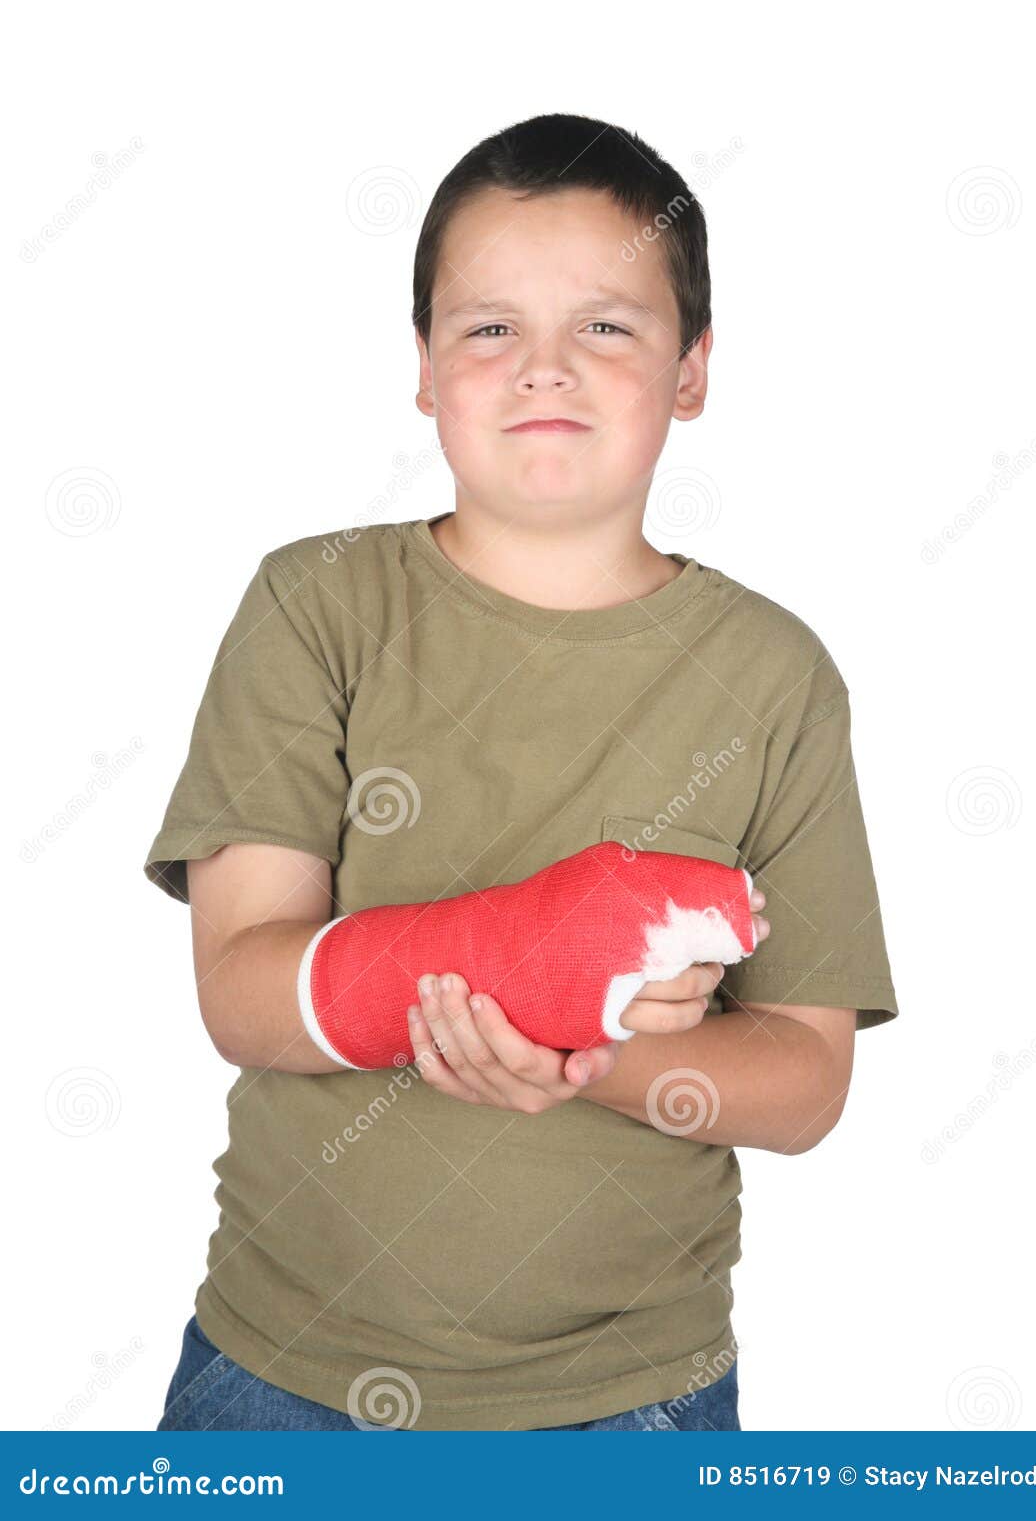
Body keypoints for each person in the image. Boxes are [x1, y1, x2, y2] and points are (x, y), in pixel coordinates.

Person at [145, 111, 899, 1433]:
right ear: (425, 370)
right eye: (489, 327)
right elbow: (243, 994)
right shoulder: (317, 605)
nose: (544, 367)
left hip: (631, 1399)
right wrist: (526, 969)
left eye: (606, 325)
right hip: (283, 1369)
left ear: (692, 370)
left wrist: (577, 1052)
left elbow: (804, 1082)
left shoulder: (774, 676)